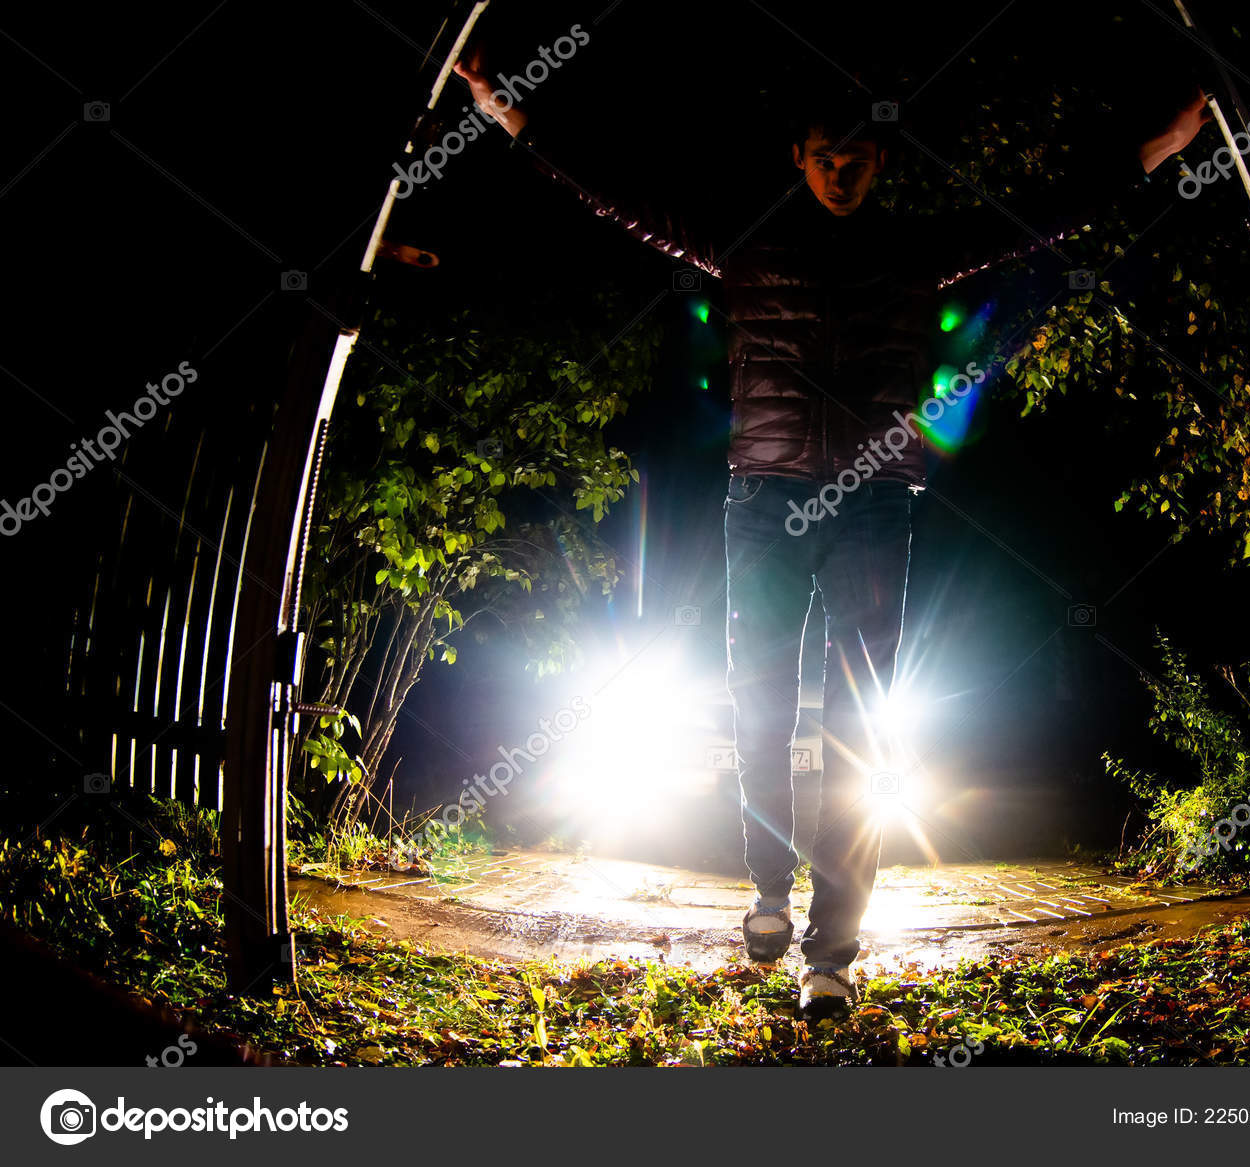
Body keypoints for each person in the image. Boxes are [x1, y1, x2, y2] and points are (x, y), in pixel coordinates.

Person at [452, 46, 1205, 1017]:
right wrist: (510, 116)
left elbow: (1044, 214)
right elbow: (619, 194)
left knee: (858, 732)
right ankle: (768, 891)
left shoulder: (918, 251)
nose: (839, 168)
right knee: (760, 713)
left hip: (872, 504)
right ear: (798, 160)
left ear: (880, 165)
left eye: (856, 156)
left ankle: (833, 955)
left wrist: (1168, 143)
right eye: (822, 154)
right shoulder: (748, 242)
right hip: (761, 502)